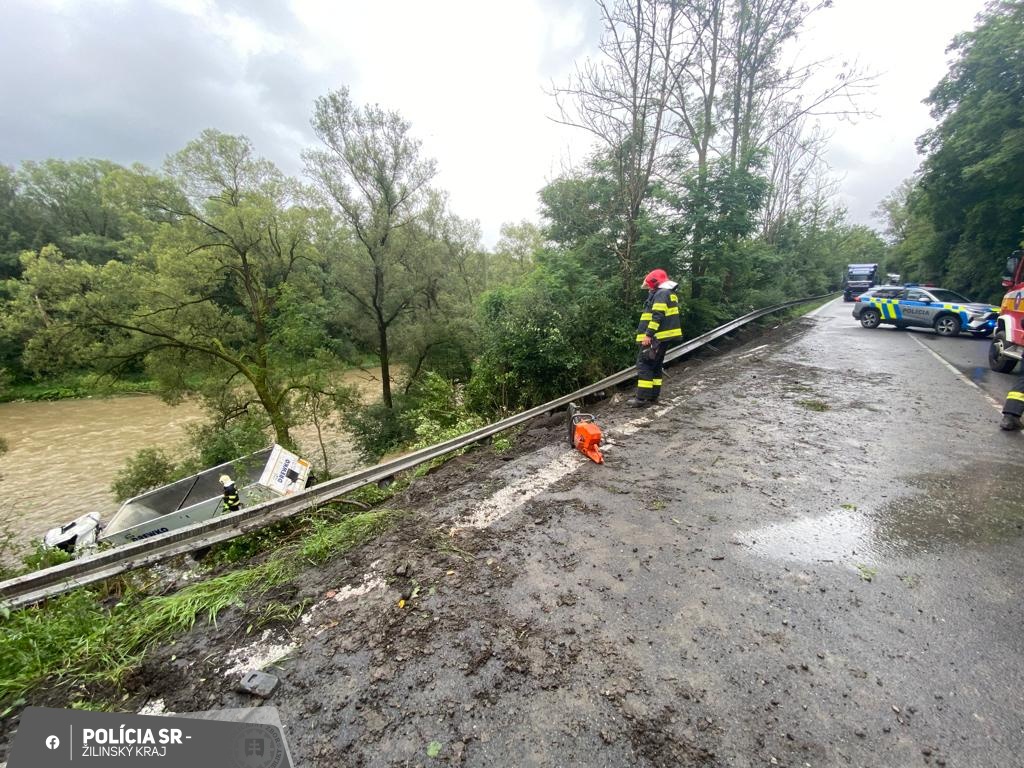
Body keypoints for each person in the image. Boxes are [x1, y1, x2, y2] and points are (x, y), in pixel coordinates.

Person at [628, 268, 682, 407]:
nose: (648, 289)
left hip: (655, 338)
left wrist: (648, 335)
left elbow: (657, 316)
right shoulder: (669, 293)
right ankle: (653, 396)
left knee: (644, 365)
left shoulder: (661, 293)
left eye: (649, 286)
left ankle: (641, 399)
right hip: (662, 338)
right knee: (656, 366)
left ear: (654, 283)